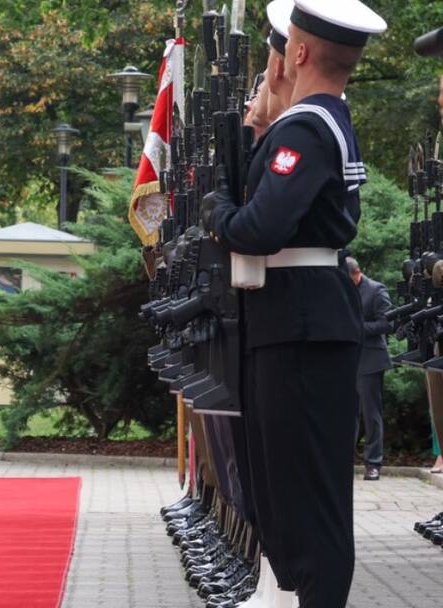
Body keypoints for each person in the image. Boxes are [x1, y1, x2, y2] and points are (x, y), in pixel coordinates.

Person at [202, 1, 386, 605]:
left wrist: (216, 212)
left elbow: (262, 228)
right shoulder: (314, 120)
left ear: (300, 52)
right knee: (284, 488)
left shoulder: (310, 125)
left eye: (282, 49)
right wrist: (255, 134)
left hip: (302, 326)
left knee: (307, 498)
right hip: (293, 320)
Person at [347, 257, 391, 480]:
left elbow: (387, 323)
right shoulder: (343, 290)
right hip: (348, 360)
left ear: (358, 273)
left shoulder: (376, 290)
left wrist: (356, 328)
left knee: (371, 414)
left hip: (371, 360)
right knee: (347, 412)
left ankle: (373, 463)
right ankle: (346, 459)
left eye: (350, 279)